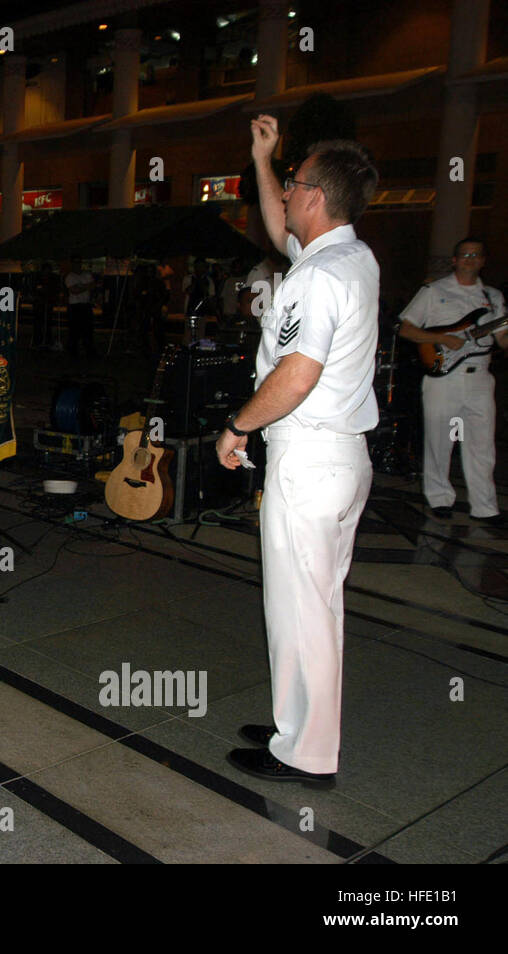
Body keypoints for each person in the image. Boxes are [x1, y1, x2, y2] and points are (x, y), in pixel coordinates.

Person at [216, 116, 380, 786]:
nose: (283, 191)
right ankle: (298, 726)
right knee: (316, 607)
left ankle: (306, 753)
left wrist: (238, 425)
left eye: (292, 182)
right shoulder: (351, 256)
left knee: (299, 612)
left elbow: (295, 375)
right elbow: (274, 224)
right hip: (342, 458)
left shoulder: (316, 279)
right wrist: (264, 158)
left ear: (314, 197)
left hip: (309, 460)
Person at [397, 238, 507, 521]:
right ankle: (439, 498)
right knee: (440, 440)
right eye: (465, 254)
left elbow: (502, 339)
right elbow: (406, 329)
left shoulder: (493, 297)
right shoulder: (435, 290)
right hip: (444, 375)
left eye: (476, 255)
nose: (471, 258)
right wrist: (441, 338)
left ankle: (485, 507)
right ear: (455, 260)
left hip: (480, 376)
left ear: (484, 260)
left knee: (482, 444)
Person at [64, 261, 95, 359]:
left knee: (88, 329)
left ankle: (89, 350)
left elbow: (91, 286)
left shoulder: (86, 274)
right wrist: (86, 286)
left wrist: (80, 287)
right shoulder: (70, 276)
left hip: (85, 304)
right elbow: (74, 291)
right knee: (74, 330)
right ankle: (73, 351)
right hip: (75, 305)